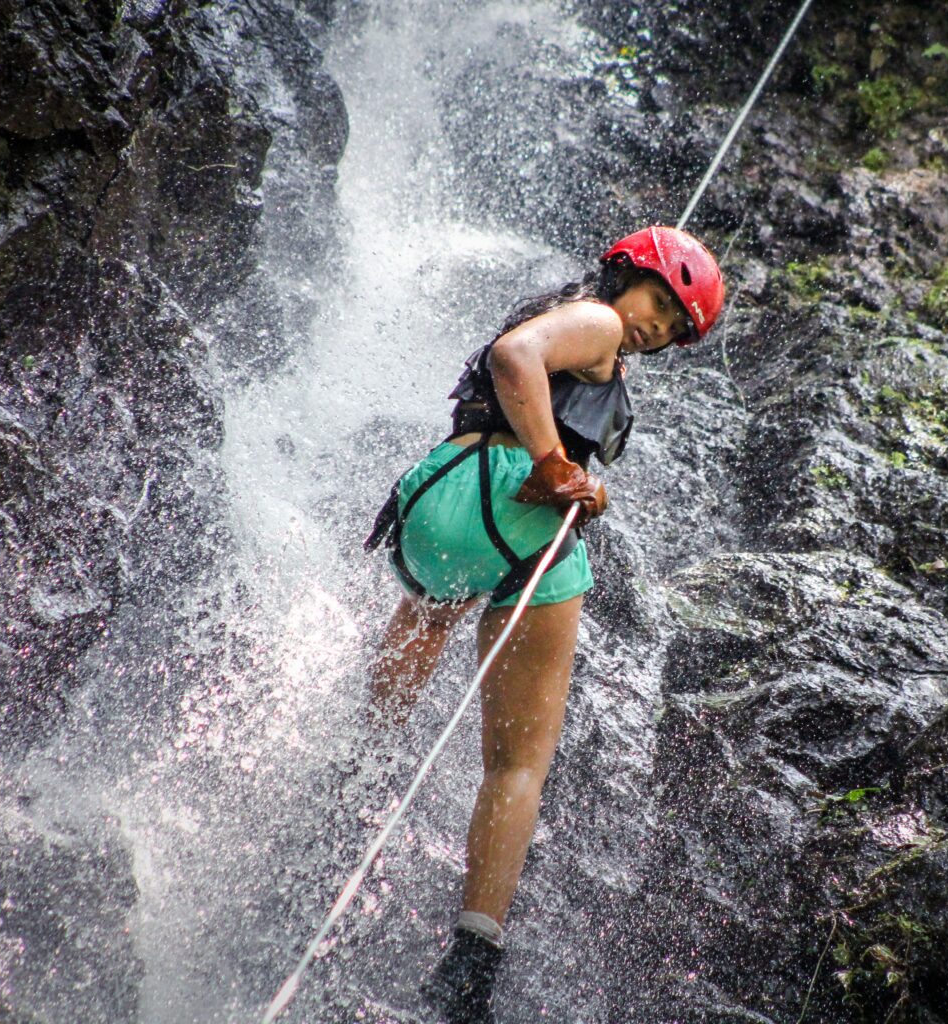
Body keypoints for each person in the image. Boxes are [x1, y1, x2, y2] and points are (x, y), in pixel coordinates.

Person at [362, 226, 724, 1021]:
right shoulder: (593, 320)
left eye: (671, 326)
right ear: (622, 273)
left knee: (422, 634)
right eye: (655, 300)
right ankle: (472, 958)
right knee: (519, 759)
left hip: (444, 504)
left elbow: (515, 375)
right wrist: (556, 467)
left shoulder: (585, 325)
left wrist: (576, 482)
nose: (654, 324)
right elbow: (514, 358)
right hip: (507, 504)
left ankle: (353, 784)